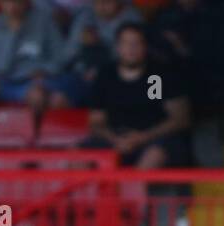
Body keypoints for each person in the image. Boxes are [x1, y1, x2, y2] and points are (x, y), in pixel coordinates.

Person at [81, 24, 192, 168]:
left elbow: (181, 119)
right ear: (117, 47)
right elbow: (96, 122)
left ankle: (132, 189)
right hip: (115, 138)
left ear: (145, 46)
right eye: (126, 43)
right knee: (78, 157)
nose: (131, 49)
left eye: (136, 43)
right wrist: (116, 140)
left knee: (154, 155)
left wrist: (143, 137)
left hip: (155, 139)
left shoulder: (159, 74)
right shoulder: (105, 75)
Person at [0, 0, 85, 113]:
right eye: (7, 2)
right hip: (6, 80)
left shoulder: (44, 21)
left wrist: (44, 70)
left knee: (37, 95)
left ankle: (34, 130)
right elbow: (0, 67)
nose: (12, 7)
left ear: (26, 2)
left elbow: (60, 58)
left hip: (35, 81)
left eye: (17, 2)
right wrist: (13, 34)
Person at [62, 0, 144, 87]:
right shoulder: (86, 14)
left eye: (107, 2)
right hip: (79, 73)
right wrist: (81, 41)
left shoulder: (132, 18)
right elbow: (68, 52)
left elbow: (129, 57)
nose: (102, 5)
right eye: (98, 2)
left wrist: (99, 43)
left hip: (116, 76)